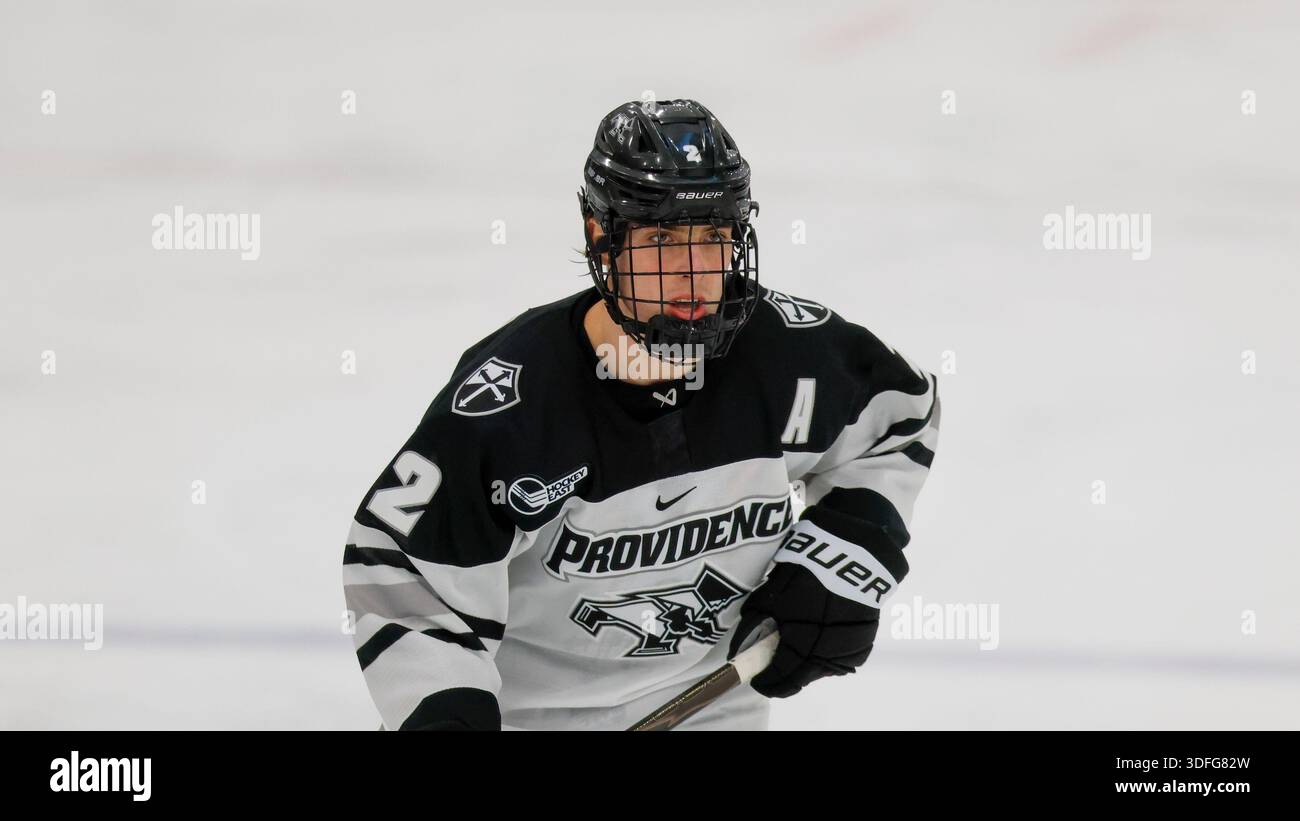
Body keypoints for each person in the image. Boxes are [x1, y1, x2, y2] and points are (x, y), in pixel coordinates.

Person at [342, 98, 940, 730]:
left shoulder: (792, 358)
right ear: (602, 239)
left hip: (709, 709)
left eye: (714, 236)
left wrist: (838, 560)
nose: (694, 273)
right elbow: (402, 570)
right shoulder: (516, 404)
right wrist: (448, 715)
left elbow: (900, 424)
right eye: (661, 238)